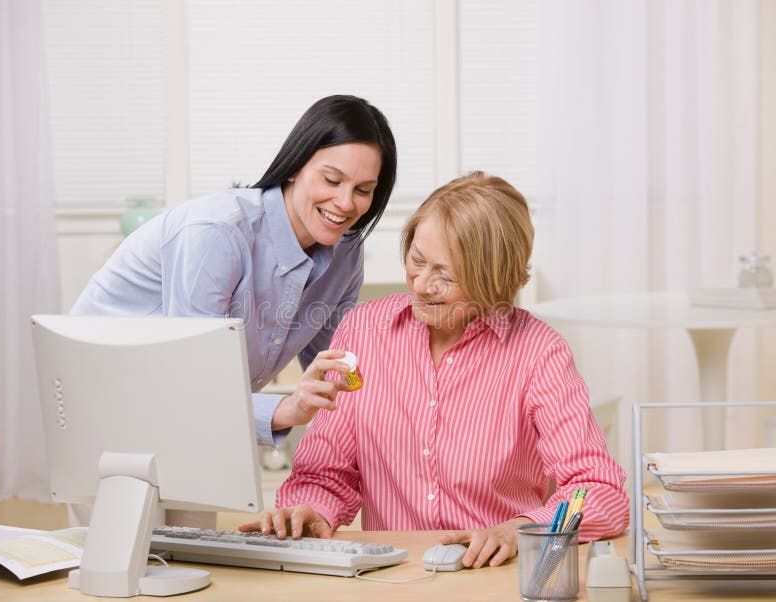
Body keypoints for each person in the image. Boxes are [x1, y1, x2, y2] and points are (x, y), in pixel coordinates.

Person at [242, 172, 629, 569]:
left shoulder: (538, 352)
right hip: (391, 578)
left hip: (495, 578)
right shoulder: (363, 331)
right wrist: (311, 511)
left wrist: (523, 528)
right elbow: (326, 471)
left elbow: (598, 490)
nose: (422, 285)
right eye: (417, 260)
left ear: (494, 278)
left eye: (444, 274)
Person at [71, 95, 397, 446]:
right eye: (332, 180)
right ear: (294, 166)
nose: (346, 203)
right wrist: (287, 408)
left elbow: (335, 364)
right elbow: (191, 375)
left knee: (196, 496)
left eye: (363, 190)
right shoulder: (218, 232)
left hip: (188, 405)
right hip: (106, 393)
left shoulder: (345, 252)